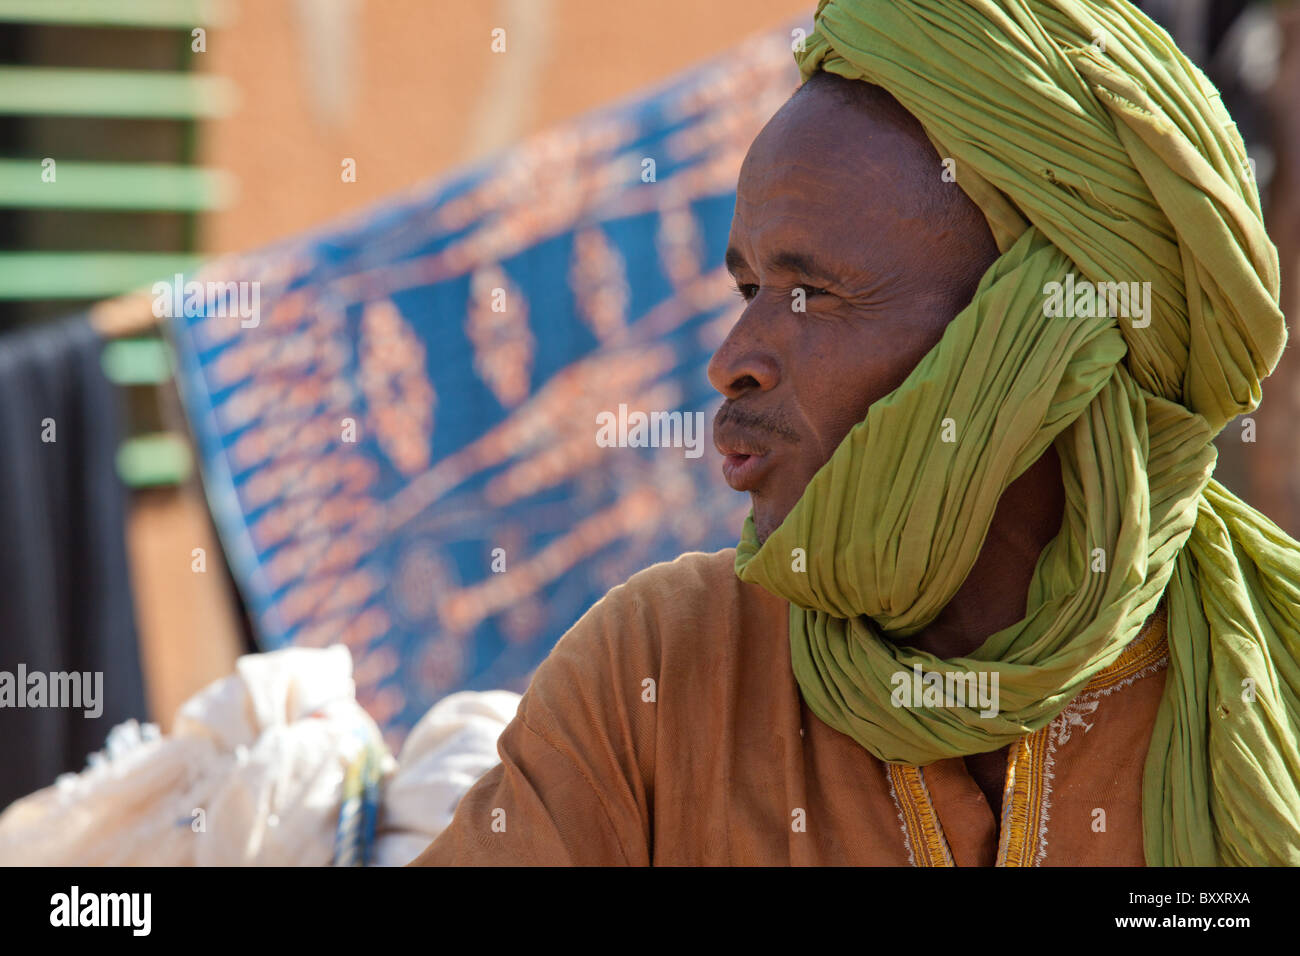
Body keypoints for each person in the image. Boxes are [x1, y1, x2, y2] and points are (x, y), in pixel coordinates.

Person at [412, 0, 1300, 866]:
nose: (733, 361)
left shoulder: (1273, 688)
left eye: (813, 294)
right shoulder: (660, 673)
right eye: (747, 290)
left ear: (1042, 333)